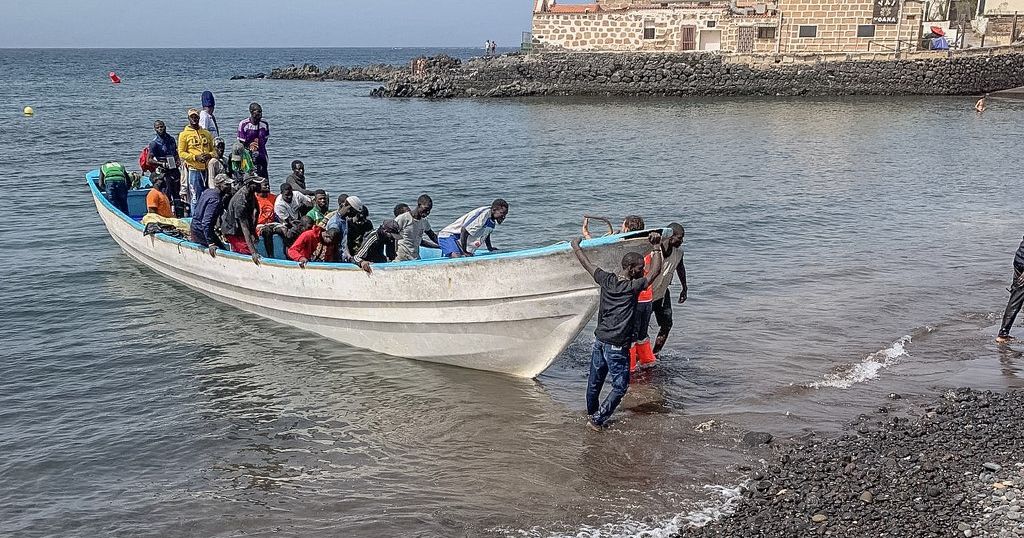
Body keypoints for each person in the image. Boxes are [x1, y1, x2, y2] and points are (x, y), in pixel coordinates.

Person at [571, 232, 663, 431]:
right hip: (616, 345)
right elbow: (656, 272)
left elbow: (587, 265)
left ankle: (591, 413)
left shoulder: (607, 280)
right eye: (640, 268)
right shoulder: (632, 287)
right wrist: (656, 247)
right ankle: (597, 420)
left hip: (600, 340)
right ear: (630, 269)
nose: (643, 270)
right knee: (620, 387)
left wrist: (576, 246)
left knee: (594, 384)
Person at [650, 223, 688, 356]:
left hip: (662, 293)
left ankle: (655, 354)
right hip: (647, 295)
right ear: (670, 237)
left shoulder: (679, 253)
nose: (681, 241)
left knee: (667, 324)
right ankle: (636, 355)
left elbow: (680, 268)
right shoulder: (654, 250)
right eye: (679, 238)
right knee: (639, 328)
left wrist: (684, 288)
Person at [437, 199, 509, 258]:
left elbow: (486, 234)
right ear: (494, 210)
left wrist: (490, 248)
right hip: (448, 236)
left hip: (458, 240)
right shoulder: (483, 215)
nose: (503, 216)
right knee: (457, 257)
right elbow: (464, 230)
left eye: (505, 214)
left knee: (465, 256)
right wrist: (465, 251)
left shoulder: (492, 220)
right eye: (502, 213)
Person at [178, 108, 215, 215]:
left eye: (196, 117)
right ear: (189, 118)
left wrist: (209, 155)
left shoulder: (206, 133)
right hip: (194, 169)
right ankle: (195, 219)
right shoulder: (184, 135)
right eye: (192, 117)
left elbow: (214, 151)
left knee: (208, 195)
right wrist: (195, 157)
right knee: (195, 197)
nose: (194, 119)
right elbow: (181, 153)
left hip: (207, 169)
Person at [220, 178, 262, 264]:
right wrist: (253, 252)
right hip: (232, 231)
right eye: (256, 184)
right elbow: (244, 227)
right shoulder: (240, 202)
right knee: (247, 252)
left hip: (240, 229)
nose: (259, 186)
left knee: (246, 248)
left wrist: (253, 232)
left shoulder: (250, 193)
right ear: (249, 185)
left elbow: (257, 210)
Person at [189, 174, 231, 257]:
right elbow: (206, 222)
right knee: (221, 252)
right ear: (219, 185)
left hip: (195, 226)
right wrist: (210, 243)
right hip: (200, 230)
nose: (229, 187)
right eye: (226, 185)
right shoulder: (215, 200)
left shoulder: (208, 191)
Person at [147, 120, 182, 216]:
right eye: (157, 127)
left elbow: (175, 152)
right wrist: (161, 163)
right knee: (166, 193)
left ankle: (179, 215)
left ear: (165, 127)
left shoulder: (171, 139)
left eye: (161, 127)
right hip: (163, 170)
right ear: (155, 129)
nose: (160, 129)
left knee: (177, 193)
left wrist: (178, 160)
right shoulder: (154, 143)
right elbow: (149, 160)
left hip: (174, 168)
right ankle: (167, 214)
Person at [395, 194, 440, 261]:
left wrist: (444, 245)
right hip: (401, 258)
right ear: (419, 205)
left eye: (429, 210)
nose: (428, 212)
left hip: (415, 257)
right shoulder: (403, 218)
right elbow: (391, 235)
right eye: (426, 209)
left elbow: (432, 236)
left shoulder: (424, 221)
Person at [997, 235, 1024, 343]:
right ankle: (1002, 334)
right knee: (1016, 299)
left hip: (1019, 260)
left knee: (1016, 297)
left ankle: (1003, 334)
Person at [325, 195, 364, 262]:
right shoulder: (335, 223)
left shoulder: (343, 219)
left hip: (344, 257)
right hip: (336, 259)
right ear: (349, 209)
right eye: (355, 212)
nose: (355, 215)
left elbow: (344, 242)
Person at [238, 102, 270, 179]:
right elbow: (241, 142)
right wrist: (250, 147)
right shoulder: (244, 124)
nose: (260, 115)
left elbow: (265, 138)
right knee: (250, 177)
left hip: (262, 153)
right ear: (251, 112)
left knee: (264, 177)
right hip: (248, 155)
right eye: (257, 112)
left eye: (261, 112)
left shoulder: (264, 124)